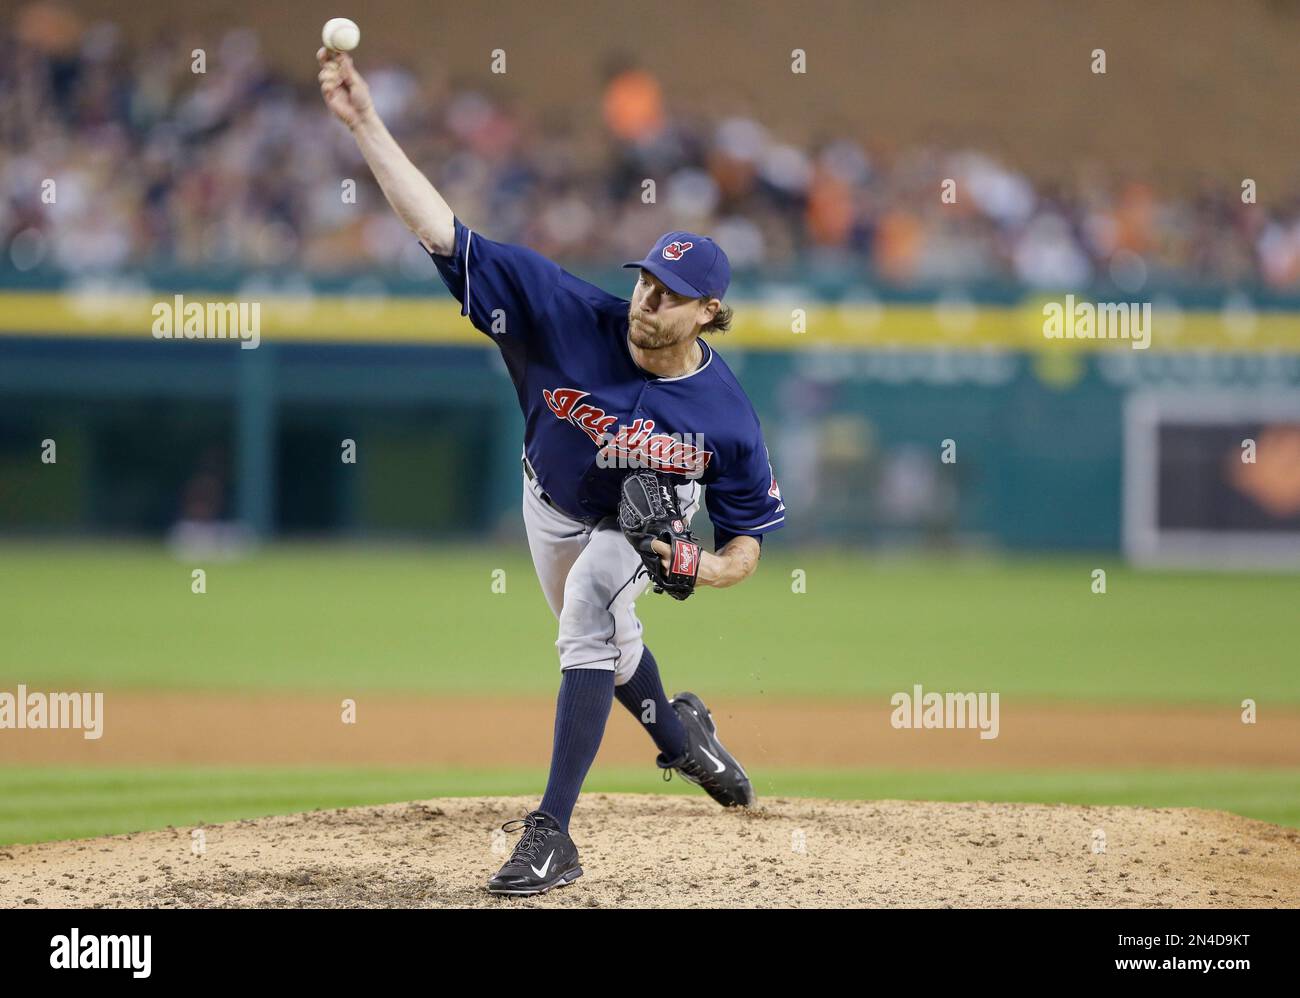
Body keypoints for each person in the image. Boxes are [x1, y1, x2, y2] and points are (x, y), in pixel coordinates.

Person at [318, 48, 786, 896]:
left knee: (590, 605)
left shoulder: (728, 418)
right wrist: (364, 124)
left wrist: (701, 565)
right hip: (548, 502)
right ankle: (683, 737)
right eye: (646, 280)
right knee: (608, 652)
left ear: (710, 311)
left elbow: (749, 539)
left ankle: (553, 834)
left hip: (637, 527)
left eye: (671, 292)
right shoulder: (562, 310)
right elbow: (440, 231)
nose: (649, 299)